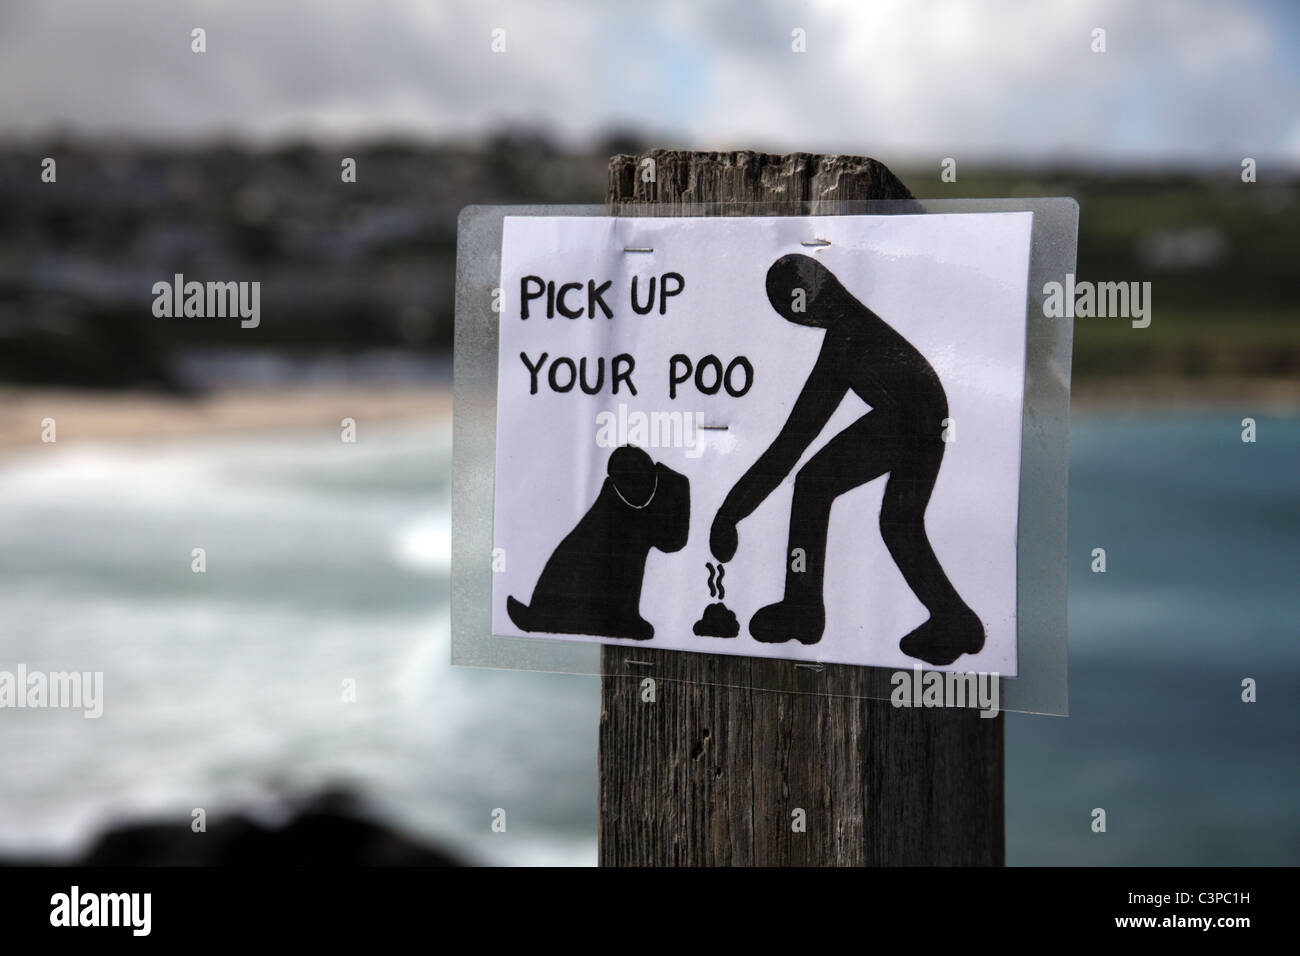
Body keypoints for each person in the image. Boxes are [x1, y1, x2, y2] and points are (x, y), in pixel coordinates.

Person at [709, 254, 984, 666]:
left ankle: (803, 606)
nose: (801, 315)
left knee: (815, 486)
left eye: (796, 306)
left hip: (911, 413)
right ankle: (954, 619)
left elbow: (790, 445)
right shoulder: (852, 332)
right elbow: (792, 442)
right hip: (930, 410)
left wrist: (730, 513)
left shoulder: (846, 340)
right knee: (898, 523)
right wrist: (732, 513)